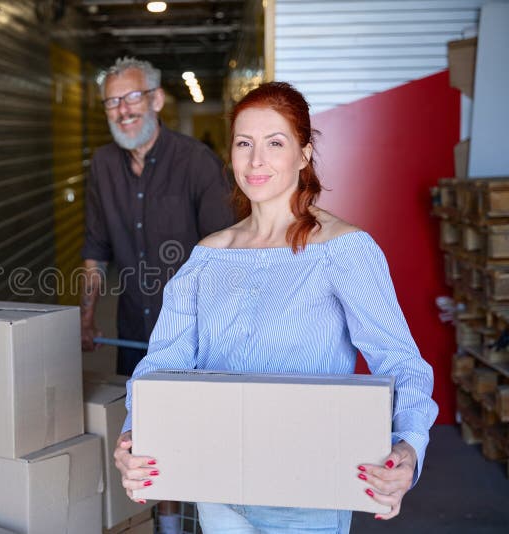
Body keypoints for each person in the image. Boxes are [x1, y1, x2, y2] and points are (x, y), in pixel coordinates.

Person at [112, 81, 438, 533]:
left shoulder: (343, 250)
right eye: (244, 143)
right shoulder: (207, 256)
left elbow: (401, 361)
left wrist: (407, 447)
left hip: (308, 490)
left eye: (275, 143)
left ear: (304, 153)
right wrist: (135, 434)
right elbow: (162, 365)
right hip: (216, 481)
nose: (256, 160)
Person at [80, 57, 236, 534]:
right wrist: (86, 315)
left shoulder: (197, 163)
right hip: (135, 326)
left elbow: (227, 251)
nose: (122, 111)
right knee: (148, 441)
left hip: (196, 336)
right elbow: (95, 249)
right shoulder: (104, 166)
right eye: (112, 102)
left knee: (204, 437)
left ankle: (217, 519)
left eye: (132, 98)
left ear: (156, 100)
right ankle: (166, 527)